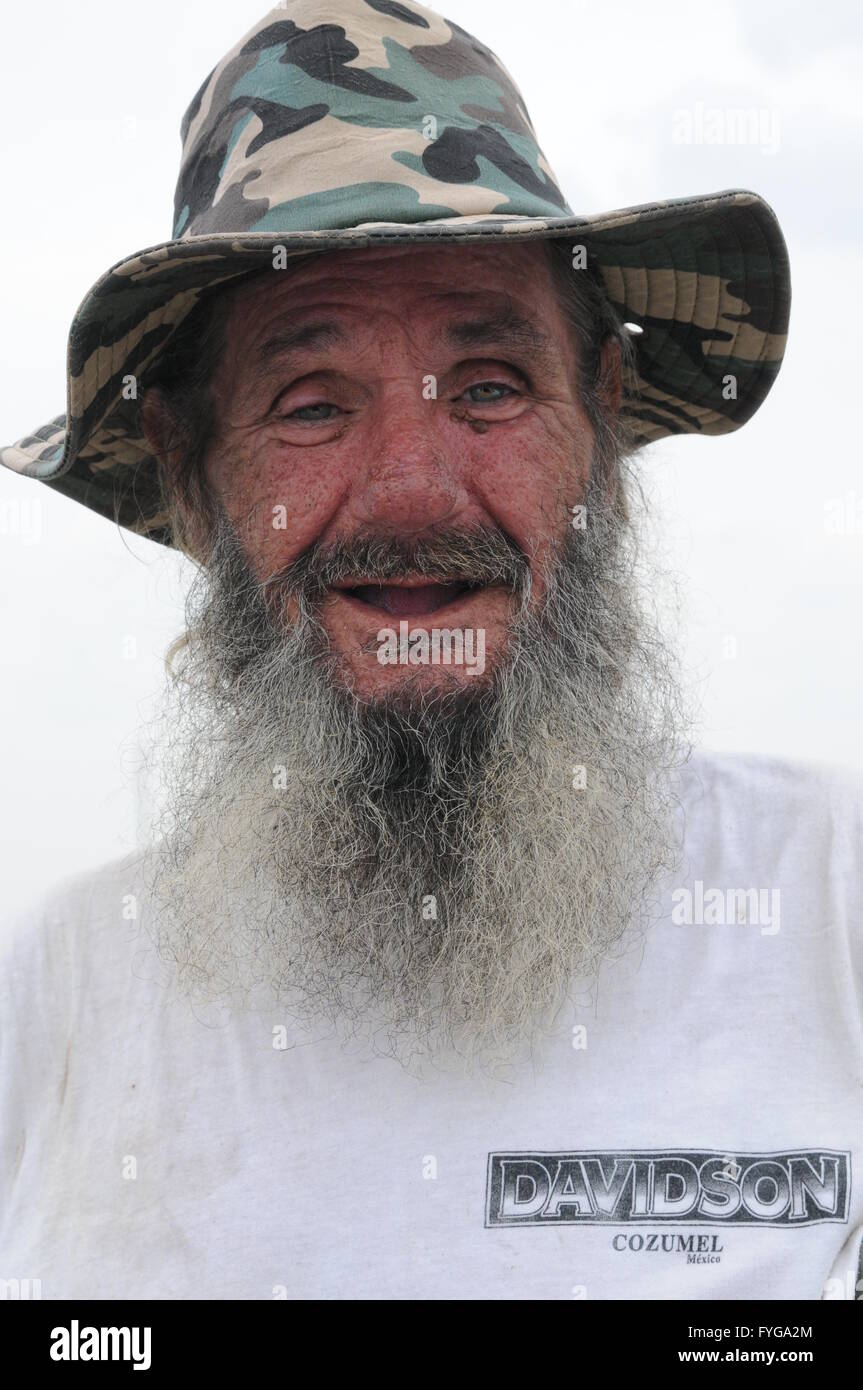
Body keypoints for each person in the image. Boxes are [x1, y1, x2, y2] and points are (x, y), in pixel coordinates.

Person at [1, 0, 860, 1302]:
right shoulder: (55, 997)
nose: (413, 492)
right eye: (311, 402)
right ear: (191, 478)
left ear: (601, 435)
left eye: (491, 387)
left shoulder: (829, 910)